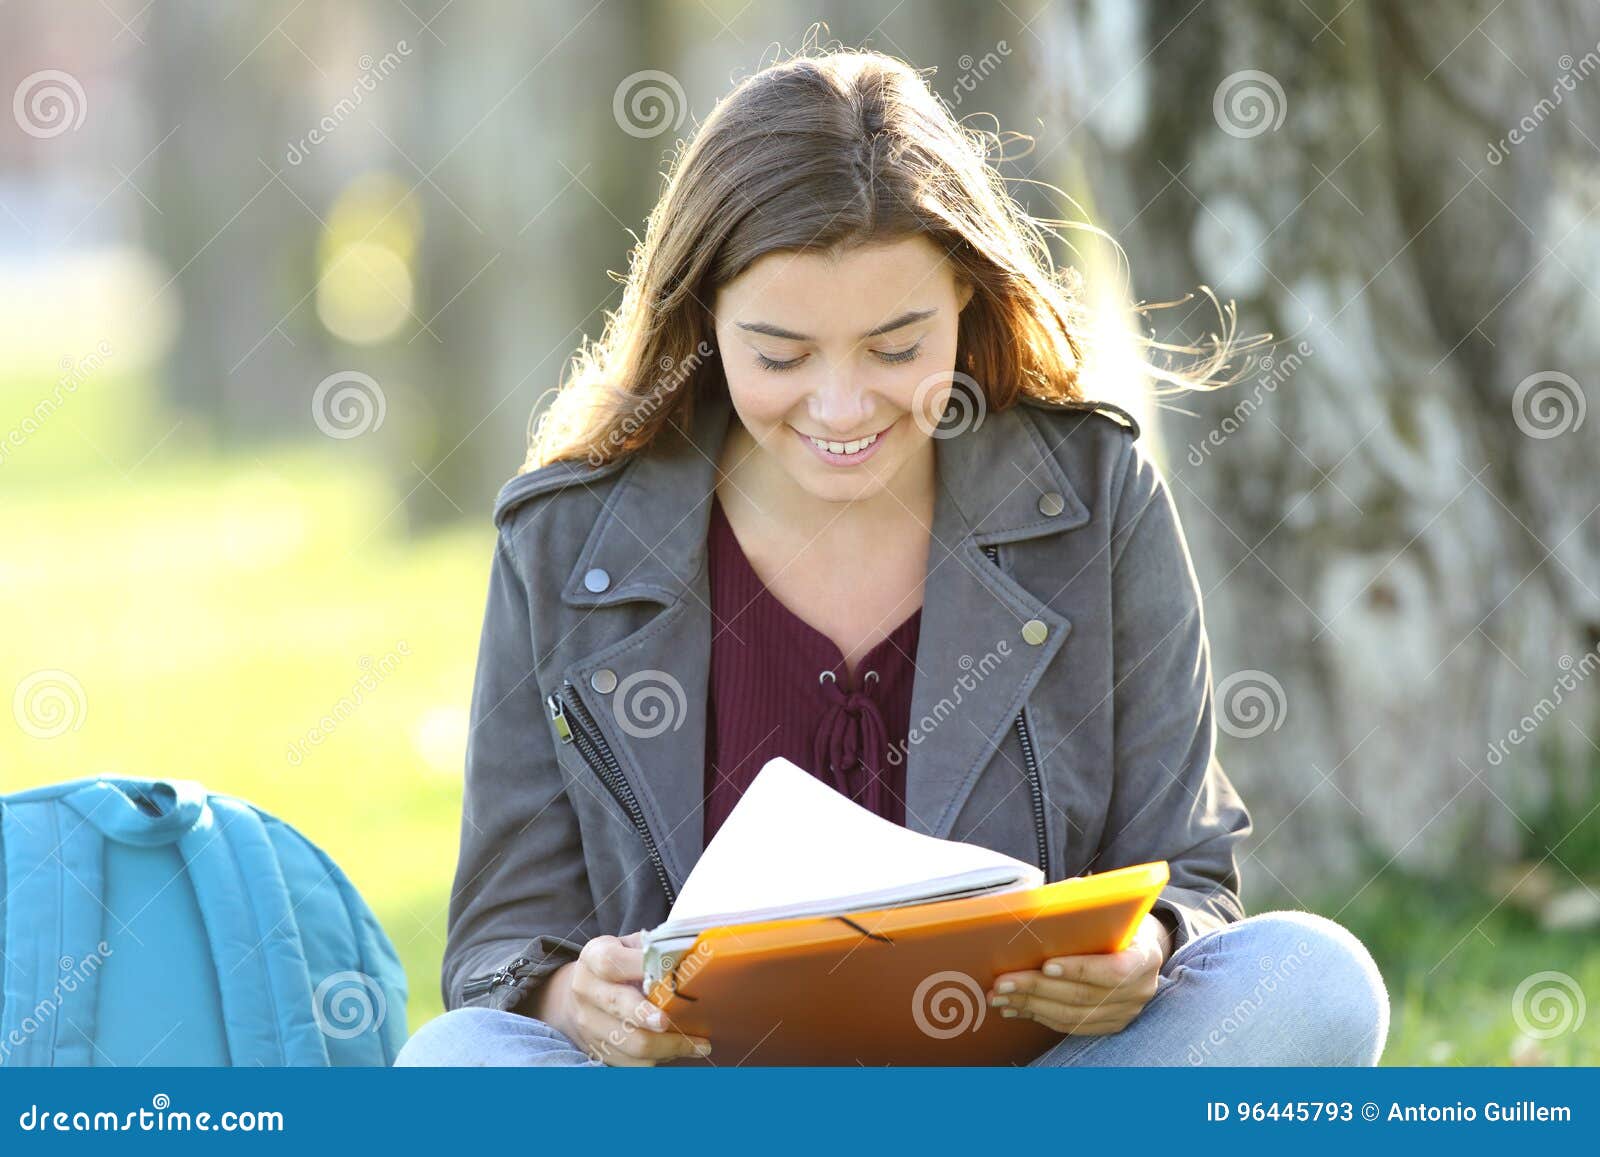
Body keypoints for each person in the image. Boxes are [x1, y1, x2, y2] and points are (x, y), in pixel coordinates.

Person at [396, 44, 1389, 1068]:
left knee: (1311, 978)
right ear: (701, 319)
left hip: (1020, 1089)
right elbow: (497, 946)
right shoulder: (564, 541)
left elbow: (1188, 868)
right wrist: (572, 997)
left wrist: (1147, 946)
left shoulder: (1094, 495)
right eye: (780, 355)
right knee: (455, 1061)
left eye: (896, 345)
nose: (842, 406)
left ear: (965, 296)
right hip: (701, 1103)